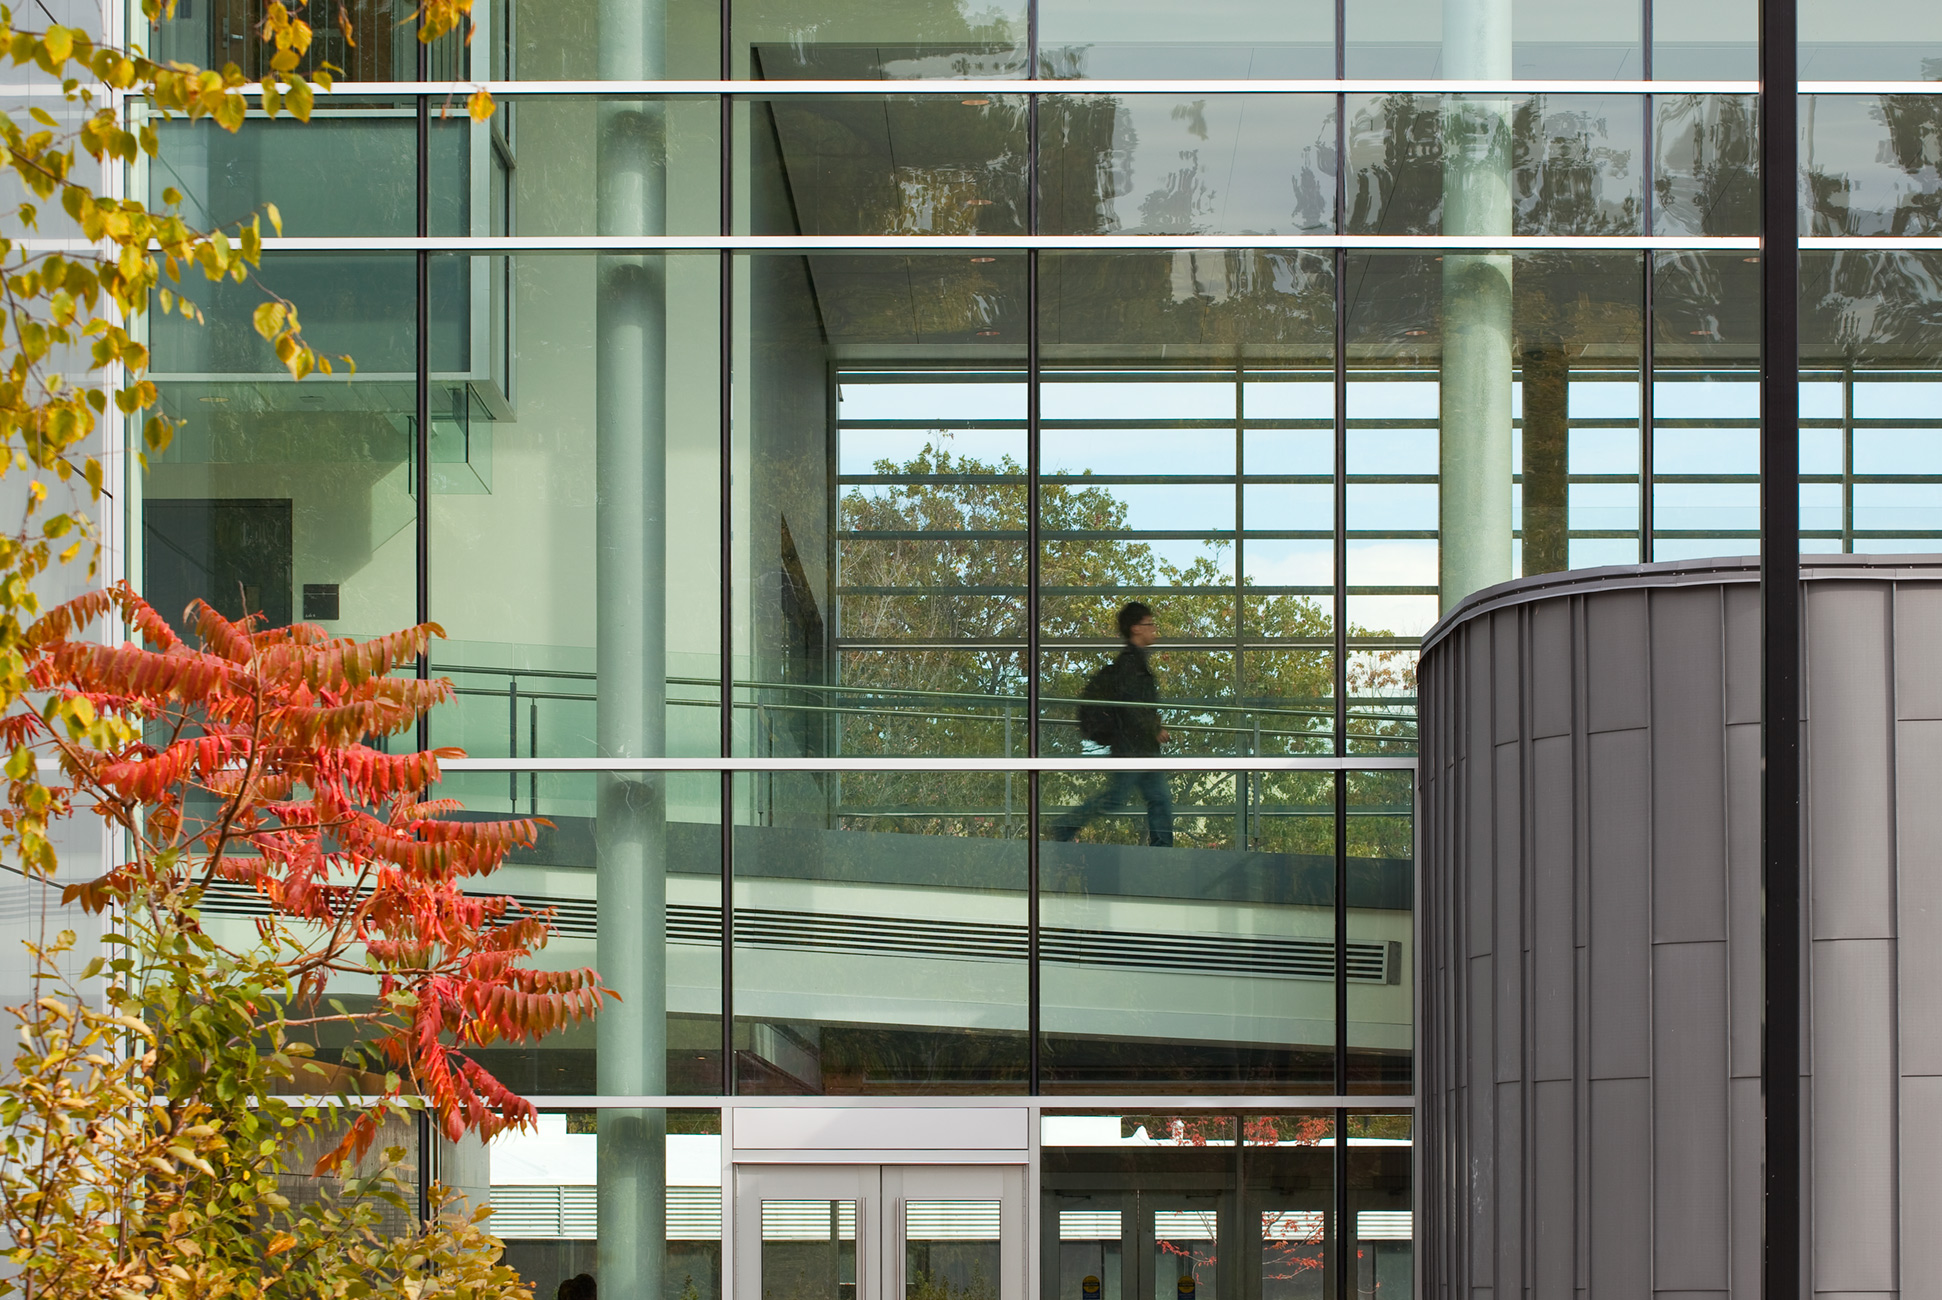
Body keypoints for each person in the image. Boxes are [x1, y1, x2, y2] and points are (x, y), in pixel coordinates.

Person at [1053, 601, 1174, 846]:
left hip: (1141, 748)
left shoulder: (1135, 662)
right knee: (1118, 798)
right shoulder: (1130, 664)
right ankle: (1066, 825)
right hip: (1132, 749)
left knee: (1157, 798)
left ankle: (1163, 850)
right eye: (1149, 624)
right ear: (1135, 628)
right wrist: (1155, 728)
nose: (1154, 630)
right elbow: (1131, 707)